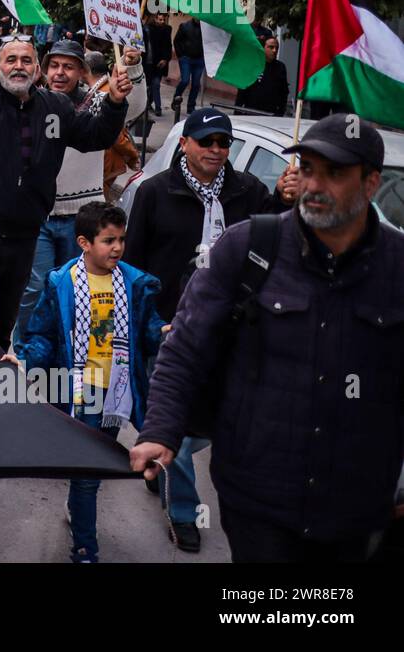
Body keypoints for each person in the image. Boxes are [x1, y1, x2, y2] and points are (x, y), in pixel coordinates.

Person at [131, 114, 404, 562]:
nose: (315, 184)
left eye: (334, 173)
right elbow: (185, 348)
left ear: (371, 183)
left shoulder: (397, 269)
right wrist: (161, 428)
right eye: (310, 169)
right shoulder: (248, 249)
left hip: (357, 502)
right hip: (256, 495)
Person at [123, 108, 296, 551]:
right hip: (169, 328)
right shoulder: (155, 193)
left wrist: (282, 199)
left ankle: (162, 453)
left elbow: (274, 239)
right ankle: (183, 510)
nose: (216, 150)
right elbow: (134, 263)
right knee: (172, 414)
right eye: (207, 142)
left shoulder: (249, 191)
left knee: (223, 416)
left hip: (234, 326)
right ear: (185, 144)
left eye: (223, 142)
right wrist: (143, 317)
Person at [0, 0, 132, 350]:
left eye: (26, 60)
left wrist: (114, 103)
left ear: (37, 71)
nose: (18, 66)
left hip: (23, 238)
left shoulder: (56, 106)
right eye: (11, 60)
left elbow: (96, 136)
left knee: (4, 326)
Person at [14, 203, 165, 563]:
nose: (117, 248)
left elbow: (148, 330)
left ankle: (77, 506)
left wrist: (165, 333)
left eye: (121, 240)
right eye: (108, 240)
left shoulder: (134, 283)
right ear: (84, 242)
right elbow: (44, 334)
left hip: (117, 393)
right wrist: (24, 359)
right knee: (87, 476)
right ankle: (85, 549)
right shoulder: (61, 282)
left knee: (92, 472)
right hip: (81, 392)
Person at [12, 39, 146, 347]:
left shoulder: (98, 104)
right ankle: (24, 351)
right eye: (55, 66)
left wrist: (133, 65)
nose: (61, 73)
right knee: (35, 286)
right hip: (39, 216)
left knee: (77, 287)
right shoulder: (30, 104)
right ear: (44, 71)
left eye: (69, 67)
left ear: (81, 71)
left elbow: (133, 105)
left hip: (82, 219)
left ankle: (66, 350)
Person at [235, 35, 289, 116]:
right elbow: (242, 90)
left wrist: (280, 112)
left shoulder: (280, 67)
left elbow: (284, 92)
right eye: (271, 47)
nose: (274, 50)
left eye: (276, 48)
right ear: (263, 48)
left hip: (271, 114)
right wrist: (237, 112)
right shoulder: (253, 64)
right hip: (251, 113)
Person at [170, 17, 205, 115]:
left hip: (199, 59)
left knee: (196, 84)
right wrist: (181, 55)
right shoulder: (185, 26)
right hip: (186, 58)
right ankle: (176, 97)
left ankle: (191, 107)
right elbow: (176, 41)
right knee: (185, 80)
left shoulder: (205, 28)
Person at [144, 11, 172, 117]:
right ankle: (148, 104)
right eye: (160, 19)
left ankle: (158, 108)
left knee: (155, 84)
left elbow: (168, 46)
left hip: (159, 63)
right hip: (148, 63)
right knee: (149, 86)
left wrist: (165, 59)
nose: (162, 22)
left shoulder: (167, 30)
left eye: (163, 20)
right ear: (155, 19)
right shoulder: (147, 29)